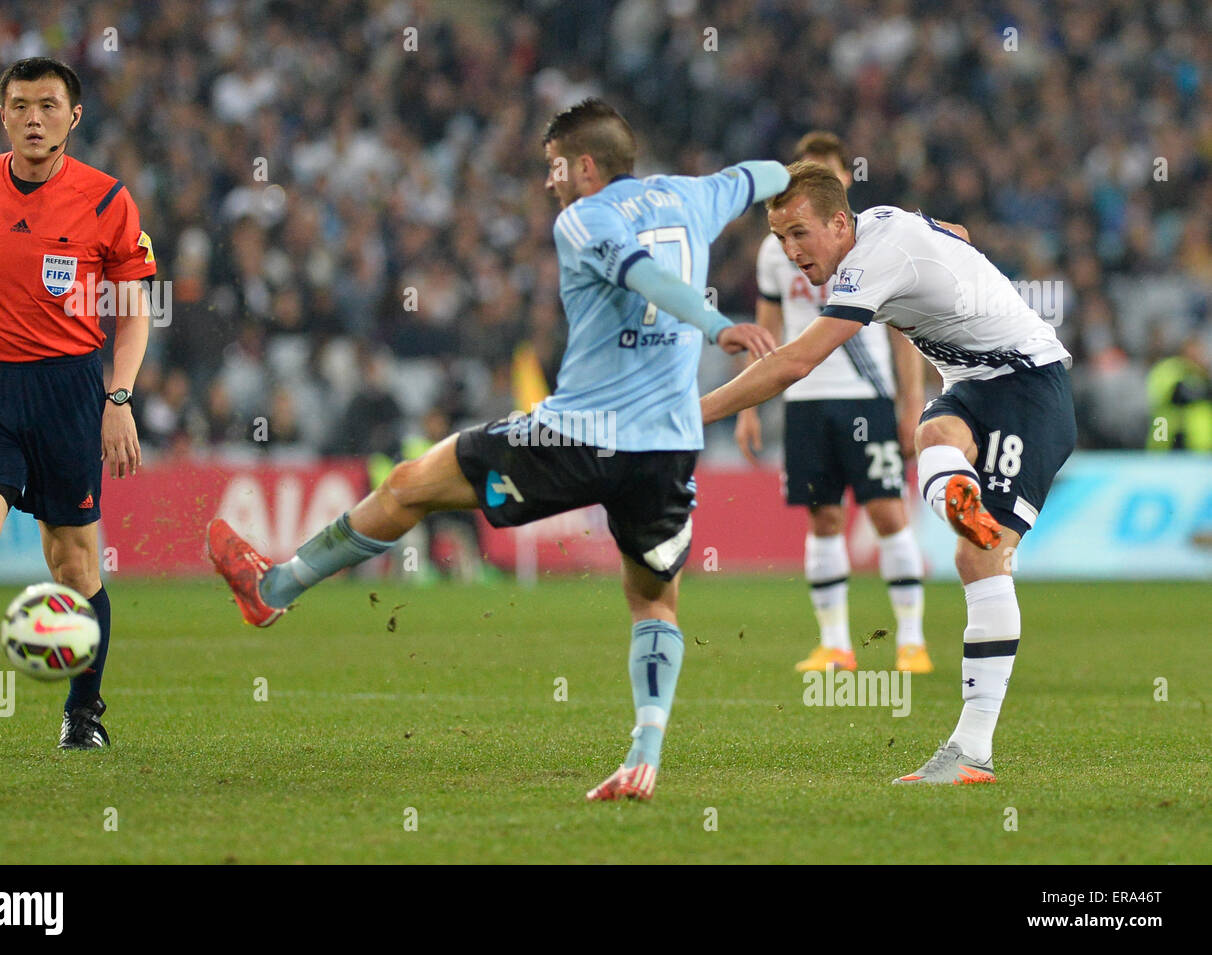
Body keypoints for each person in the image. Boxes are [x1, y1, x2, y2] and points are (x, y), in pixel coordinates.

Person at [209, 98, 787, 801]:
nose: (548, 183)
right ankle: (645, 753)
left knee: (407, 487)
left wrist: (716, 323)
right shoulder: (696, 194)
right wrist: (808, 178)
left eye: (553, 168)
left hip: (573, 435)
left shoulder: (583, 217)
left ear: (583, 166)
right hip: (667, 448)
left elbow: (641, 273)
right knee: (655, 606)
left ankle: (275, 589)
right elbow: (764, 173)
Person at [700, 161, 1075, 784]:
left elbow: (795, 363)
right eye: (780, 238)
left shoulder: (872, 260)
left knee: (978, 560)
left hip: (1027, 386)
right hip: (972, 388)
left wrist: (695, 414)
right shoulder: (881, 222)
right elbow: (953, 229)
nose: (792, 252)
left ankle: (971, 752)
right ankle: (960, 499)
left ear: (838, 223)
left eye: (800, 233)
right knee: (932, 434)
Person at [0, 57, 155, 754]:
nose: (35, 118)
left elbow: (133, 312)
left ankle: (84, 712)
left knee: (74, 564)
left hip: (69, 390)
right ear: (3, 115)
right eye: (21, 105)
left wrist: (119, 396)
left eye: (49, 105)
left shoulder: (108, 200)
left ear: (74, 118)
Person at [733, 132, 931, 675]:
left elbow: (902, 331)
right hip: (804, 399)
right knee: (822, 517)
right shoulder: (776, 252)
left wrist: (911, 399)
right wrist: (749, 407)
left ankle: (911, 642)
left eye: (828, 170)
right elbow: (768, 329)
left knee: (888, 511)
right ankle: (835, 645)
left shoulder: (871, 243)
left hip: (865, 396)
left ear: (845, 179)